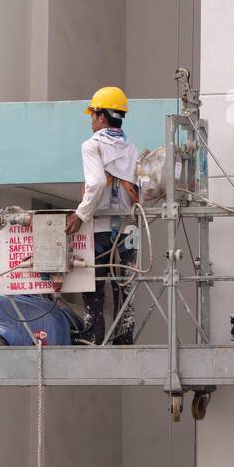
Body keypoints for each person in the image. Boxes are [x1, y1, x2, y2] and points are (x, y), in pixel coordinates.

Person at [65, 86, 140, 345]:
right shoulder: (130, 147)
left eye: (92, 115)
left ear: (101, 116)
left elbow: (96, 184)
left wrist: (80, 215)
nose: (90, 121)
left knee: (95, 280)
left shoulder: (91, 146)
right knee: (126, 279)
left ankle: (94, 333)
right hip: (129, 227)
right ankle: (125, 333)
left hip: (101, 227)